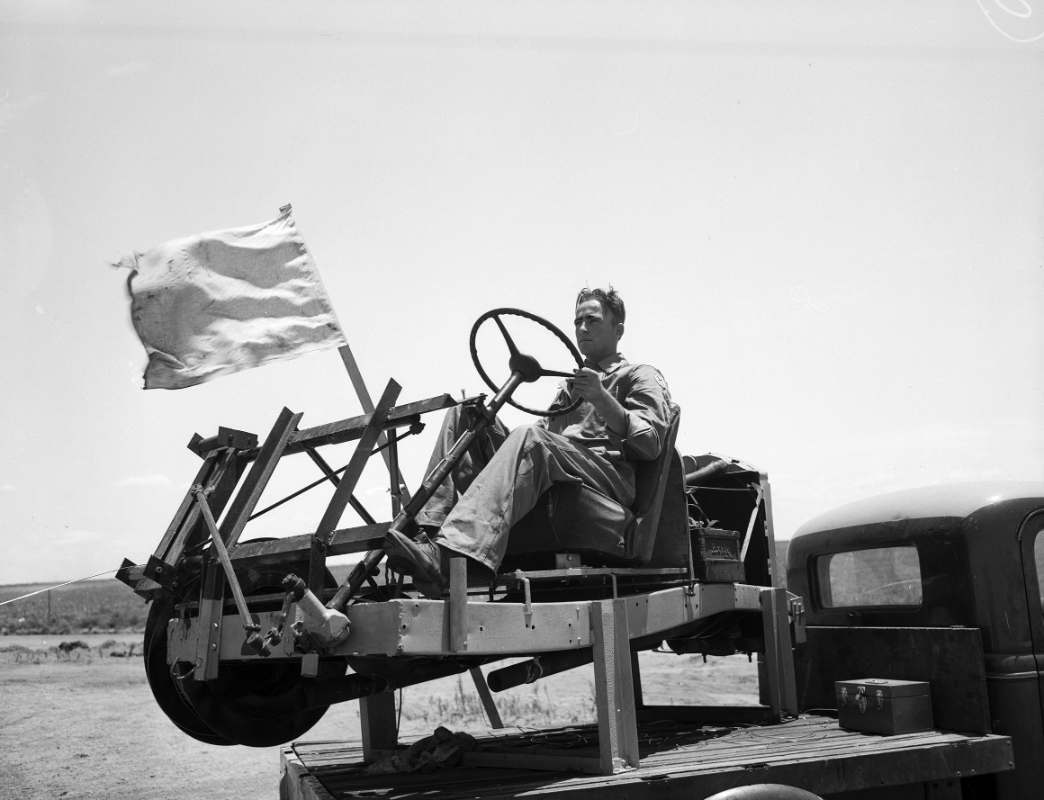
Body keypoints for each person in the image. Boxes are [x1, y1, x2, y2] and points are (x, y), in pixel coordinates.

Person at [384, 287, 673, 594]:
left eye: (592, 320)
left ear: (618, 330)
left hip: (607, 476)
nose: (582, 328)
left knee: (530, 438)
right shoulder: (569, 386)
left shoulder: (639, 375)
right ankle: (429, 537)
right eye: (577, 321)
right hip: (563, 466)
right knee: (465, 416)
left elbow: (650, 442)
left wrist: (601, 397)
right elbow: (543, 434)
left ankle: (453, 553)